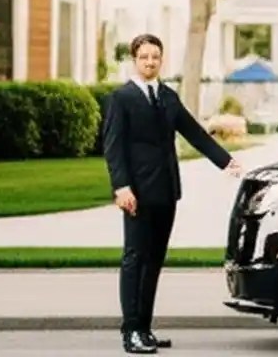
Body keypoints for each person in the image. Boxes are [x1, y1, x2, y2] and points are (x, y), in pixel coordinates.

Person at [103, 34, 244, 354]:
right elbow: (113, 148)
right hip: (136, 193)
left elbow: (194, 133)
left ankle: (145, 328)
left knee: (154, 262)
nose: (150, 62)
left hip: (167, 192)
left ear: (161, 60)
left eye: (155, 57)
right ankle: (131, 332)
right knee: (134, 260)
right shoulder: (121, 98)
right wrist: (121, 187)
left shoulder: (167, 97)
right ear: (134, 60)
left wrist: (227, 162)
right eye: (144, 57)